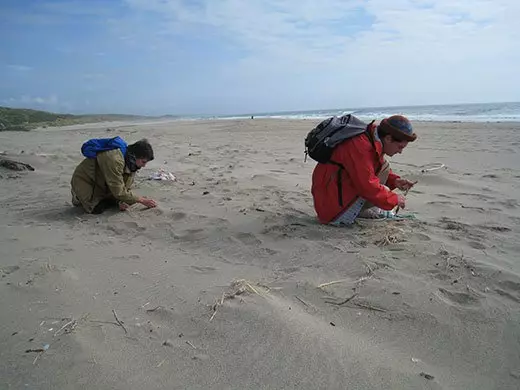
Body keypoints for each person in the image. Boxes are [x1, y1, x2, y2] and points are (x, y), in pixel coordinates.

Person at [311, 115, 417, 225]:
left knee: (384, 167)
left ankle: (360, 211)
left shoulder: (370, 138)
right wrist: (394, 199)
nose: (400, 152)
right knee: (382, 185)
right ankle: (353, 214)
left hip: (336, 191)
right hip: (333, 211)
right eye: (400, 147)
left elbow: (370, 169)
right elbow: (367, 186)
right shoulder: (360, 146)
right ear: (388, 138)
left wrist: (395, 181)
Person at [71, 138, 157, 214]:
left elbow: (126, 185)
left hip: (102, 180)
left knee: (123, 200)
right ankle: (79, 198)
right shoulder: (115, 159)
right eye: (143, 162)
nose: (144, 166)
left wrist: (121, 201)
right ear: (134, 156)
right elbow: (118, 190)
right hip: (85, 180)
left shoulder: (130, 161)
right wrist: (141, 200)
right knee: (96, 209)